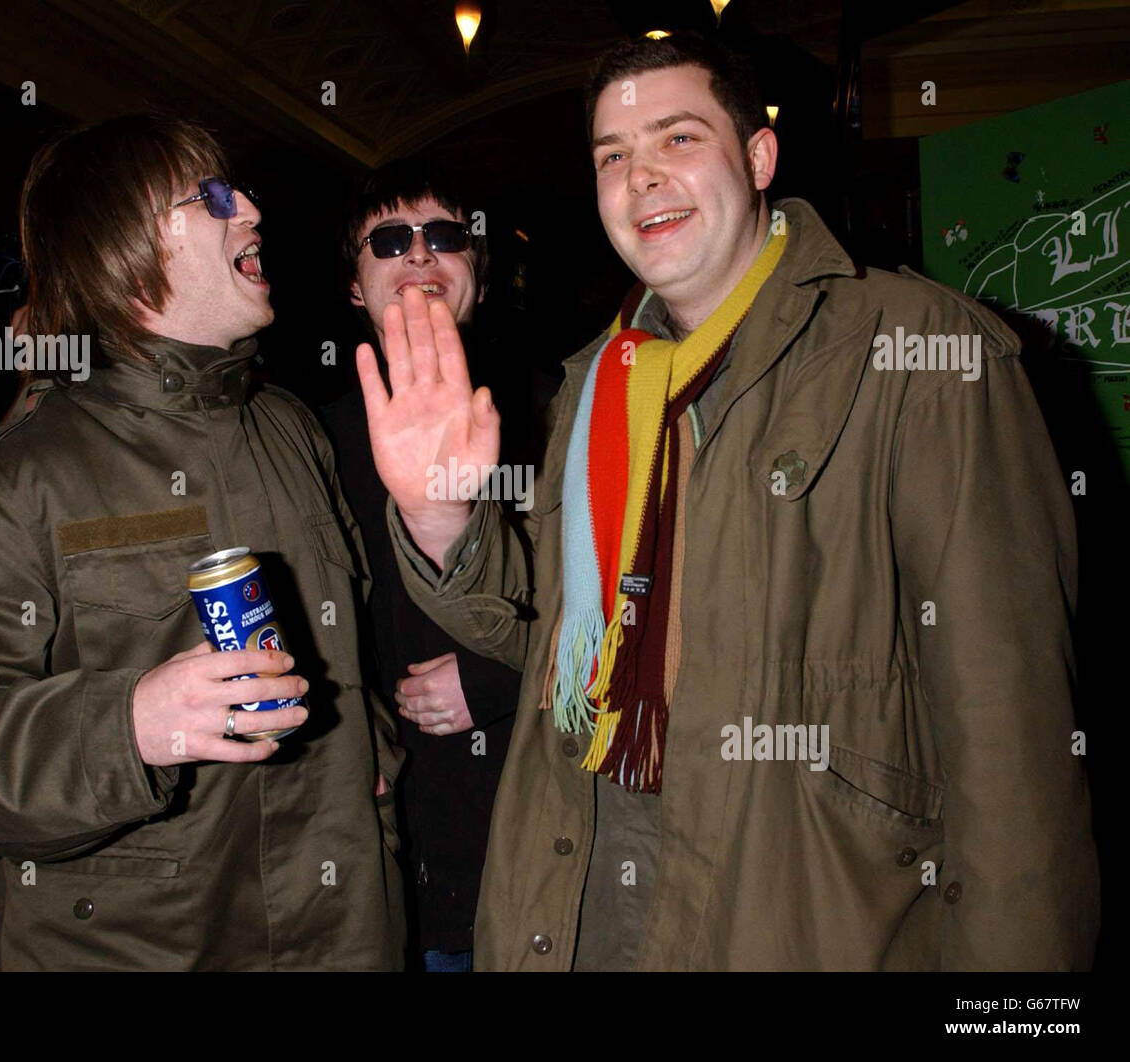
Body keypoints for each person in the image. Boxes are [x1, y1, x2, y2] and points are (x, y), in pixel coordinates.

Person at [357, 32, 1099, 970]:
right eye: (612, 157)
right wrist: (441, 516)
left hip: (801, 916)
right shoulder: (599, 382)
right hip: (581, 897)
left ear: (757, 158)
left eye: (677, 140)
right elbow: (550, 640)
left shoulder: (916, 350)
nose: (641, 179)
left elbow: (1014, 743)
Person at [0, 114, 404, 971]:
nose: (252, 210)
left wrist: (373, 751)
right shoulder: (23, 474)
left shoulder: (288, 425)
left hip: (345, 936)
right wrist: (126, 726)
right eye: (216, 195)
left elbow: (349, 630)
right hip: (145, 947)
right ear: (125, 243)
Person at [320, 163, 549, 971]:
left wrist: (497, 681)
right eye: (389, 240)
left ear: (478, 281)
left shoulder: (558, 414)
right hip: (385, 843)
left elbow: (634, 604)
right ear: (355, 285)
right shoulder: (300, 440)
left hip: (533, 826)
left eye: (445, 237)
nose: (419, 254)